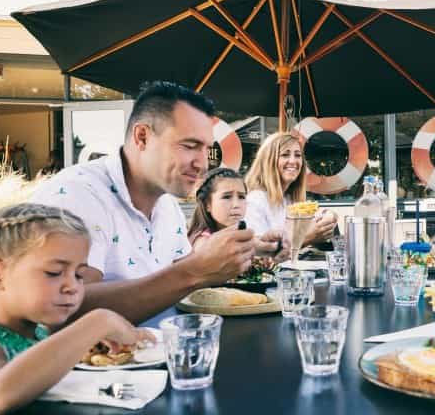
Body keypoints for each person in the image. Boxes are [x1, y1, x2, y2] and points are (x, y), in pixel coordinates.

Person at [31, 81, 264, 325]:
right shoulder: (77, 194)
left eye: (206, 149)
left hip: (169, 350)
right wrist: (196, 271)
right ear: (142, 137)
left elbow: (177, 278)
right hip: (104, 361)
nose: (203, 164)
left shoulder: (166, 202)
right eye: (189, 146)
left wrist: (229, 256)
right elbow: (65, 309)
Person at [0, 204, 152, 413]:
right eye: (54, 272)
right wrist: (97, 322)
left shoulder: (40, 333)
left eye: (79, 274)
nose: (72, 286)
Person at [245, 133, 336, 248]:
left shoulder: (289, 198)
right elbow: (260, 258)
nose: (293, 161)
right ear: (268, 160)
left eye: (297, 155)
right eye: (285, 155)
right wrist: (306, 237)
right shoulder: (254, 201)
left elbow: (315, 221)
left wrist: (328, 217)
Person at [187, 166, 289, 261]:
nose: (236, 205)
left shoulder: (241, 236)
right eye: (226, 197)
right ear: (207, 204)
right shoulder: (202, 242)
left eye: (241, 197)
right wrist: (255, 247)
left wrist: (273, 244)